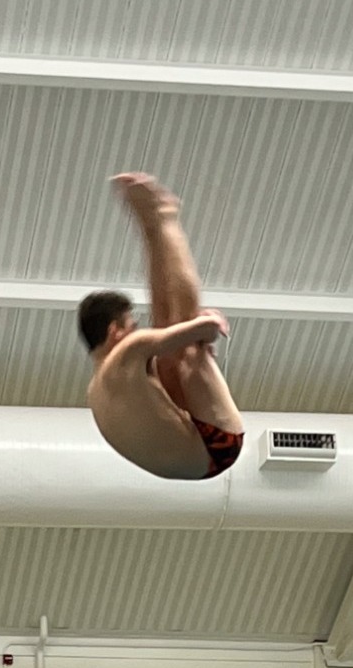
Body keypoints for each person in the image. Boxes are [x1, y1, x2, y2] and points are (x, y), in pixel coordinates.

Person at [78, 173, 245, 481]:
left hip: (195, 452)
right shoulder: (128, 350)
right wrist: (206, 330)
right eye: (132, 325)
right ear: (116, 331)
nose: (136, 331)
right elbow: (200, 328)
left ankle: (153, 225)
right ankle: (161, 220)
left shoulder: (98, 390)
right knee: (184, 349)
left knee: (171, 352)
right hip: (217, 446)